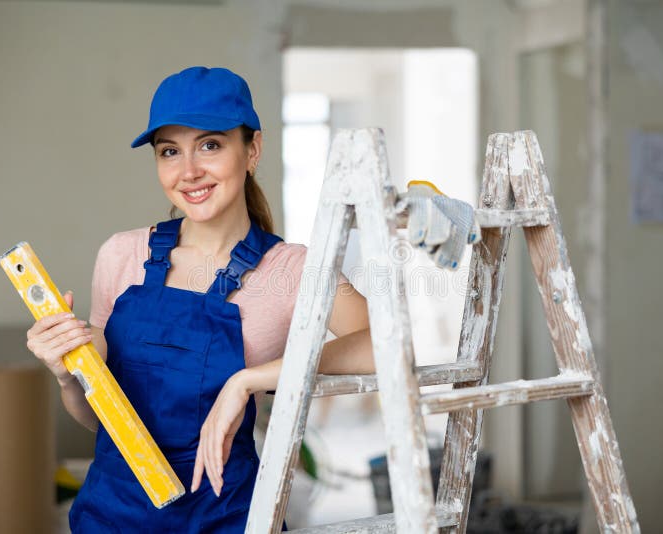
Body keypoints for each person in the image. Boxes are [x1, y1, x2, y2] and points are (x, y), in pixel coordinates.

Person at [25, 66, 477, 532]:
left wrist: (249, 380)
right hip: (111, 517)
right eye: (169, 151)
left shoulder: (291, 269)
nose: (189, 171)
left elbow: (386, 342)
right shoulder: (121, 255)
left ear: (252, 150)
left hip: (227, 518)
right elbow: (101, 421)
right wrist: (66, 377)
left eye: (210, 145)